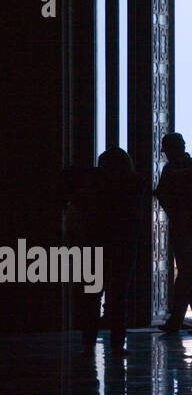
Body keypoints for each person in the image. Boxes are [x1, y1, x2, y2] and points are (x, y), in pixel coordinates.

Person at [69, 149, 147, 356]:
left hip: (95, 243)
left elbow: (78, 199)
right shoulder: (135, 183)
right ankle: (117, 344)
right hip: (125, 245)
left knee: (91, 296)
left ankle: (88, 343)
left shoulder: (95, 184)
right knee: (119, 296)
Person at [154, 132, 192, 335]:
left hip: (182, 227)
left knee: (188, 271)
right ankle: (190, 320)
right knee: (189, 271)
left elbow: (162, 193)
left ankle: (188, 320)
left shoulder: (172, 170)